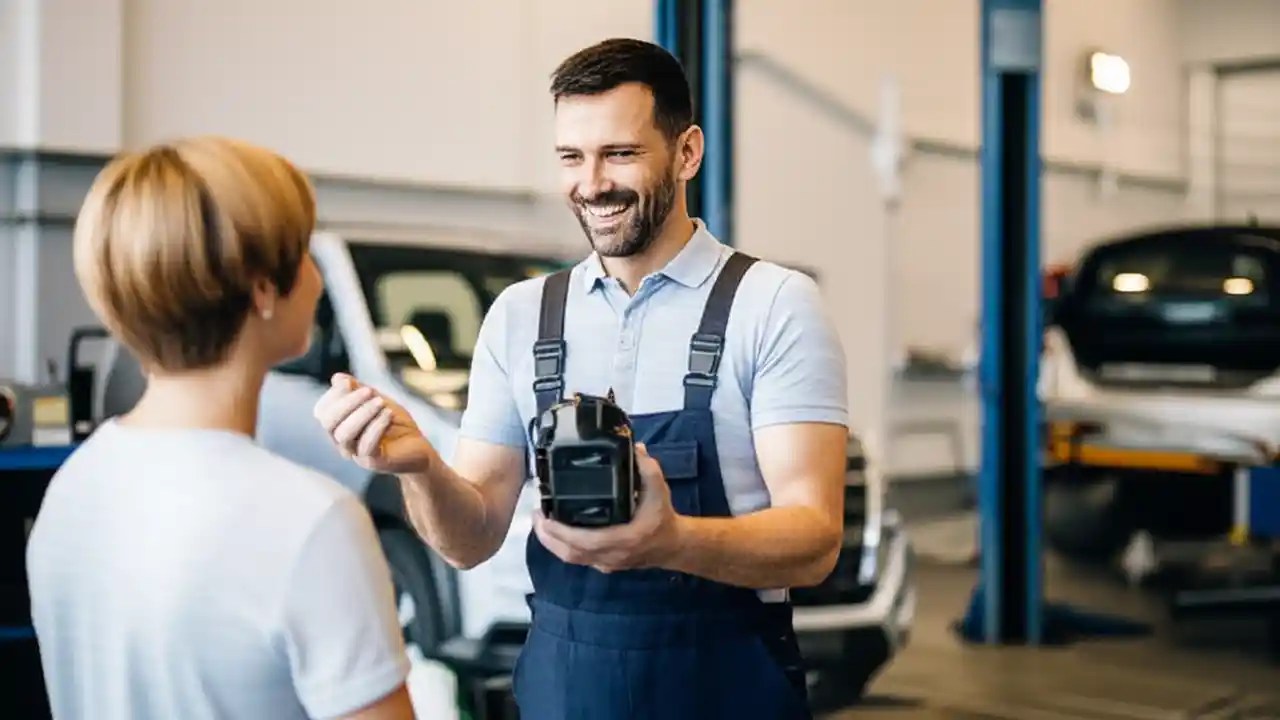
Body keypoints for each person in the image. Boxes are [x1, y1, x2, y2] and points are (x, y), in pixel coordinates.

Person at [314, 38, 849, 719]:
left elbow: (814, 540)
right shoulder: (522, 316)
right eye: (572, 157)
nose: (591, 183)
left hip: (725, 688)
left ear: (686, 152)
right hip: (566, 688)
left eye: (619, 154)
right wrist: (420, 469)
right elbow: (470, 540)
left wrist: (674, 541)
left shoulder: (771, 304)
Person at [25, 137, 415, 720]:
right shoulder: (312, 521)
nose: (314, 278)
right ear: (263, 289)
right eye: (303, 252)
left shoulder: (73, 488)